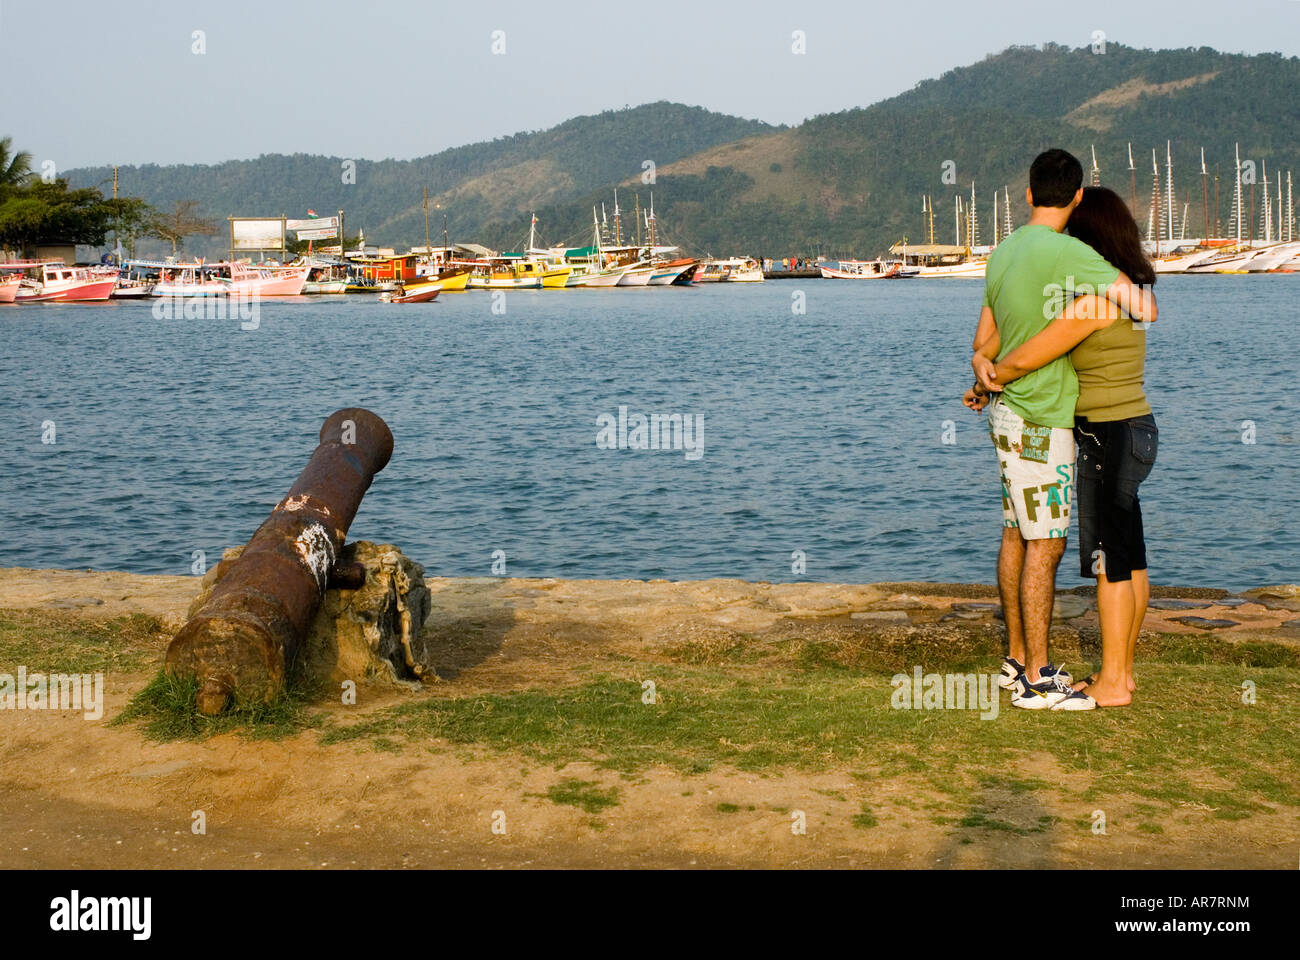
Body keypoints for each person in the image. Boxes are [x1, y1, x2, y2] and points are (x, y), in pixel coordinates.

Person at [965, 149, 1156, 712]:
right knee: (1080, 548)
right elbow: (1141, 307)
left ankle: (1031, 663)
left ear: (1028, 194)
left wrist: (985, 374)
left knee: (1029, 538)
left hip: (1045, 422)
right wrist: (993, 369)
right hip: (1083, 424)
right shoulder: (1078, 271)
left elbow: (1001, 345)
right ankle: (1059, 672)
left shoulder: (1010, 257)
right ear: (1073, 198)